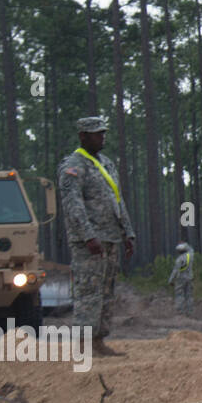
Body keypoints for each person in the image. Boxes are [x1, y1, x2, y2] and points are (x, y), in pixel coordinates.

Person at [58, 116, 135, 357]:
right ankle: (83, 345)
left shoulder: (107, 164)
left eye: (103, 132)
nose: (102, 137)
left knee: (107, 292)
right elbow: (73, 205)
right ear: (83, 136)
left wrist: (128, 233)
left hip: (111, 238)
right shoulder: (73, 166)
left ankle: (99, 341)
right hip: (89, 243)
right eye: (96, 133)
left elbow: (117, 199)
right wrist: (88, 236)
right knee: (88, 291)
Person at [168, 242, 194, 315]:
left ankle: (180, 312)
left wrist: (170, 280)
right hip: (190, 278)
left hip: (180, 279)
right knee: (189, 296)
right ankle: (190, 312)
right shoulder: (191, 256)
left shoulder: (179, 259)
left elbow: (175, 271)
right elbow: (191, 249)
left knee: (180, 295)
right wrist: (186, 244)